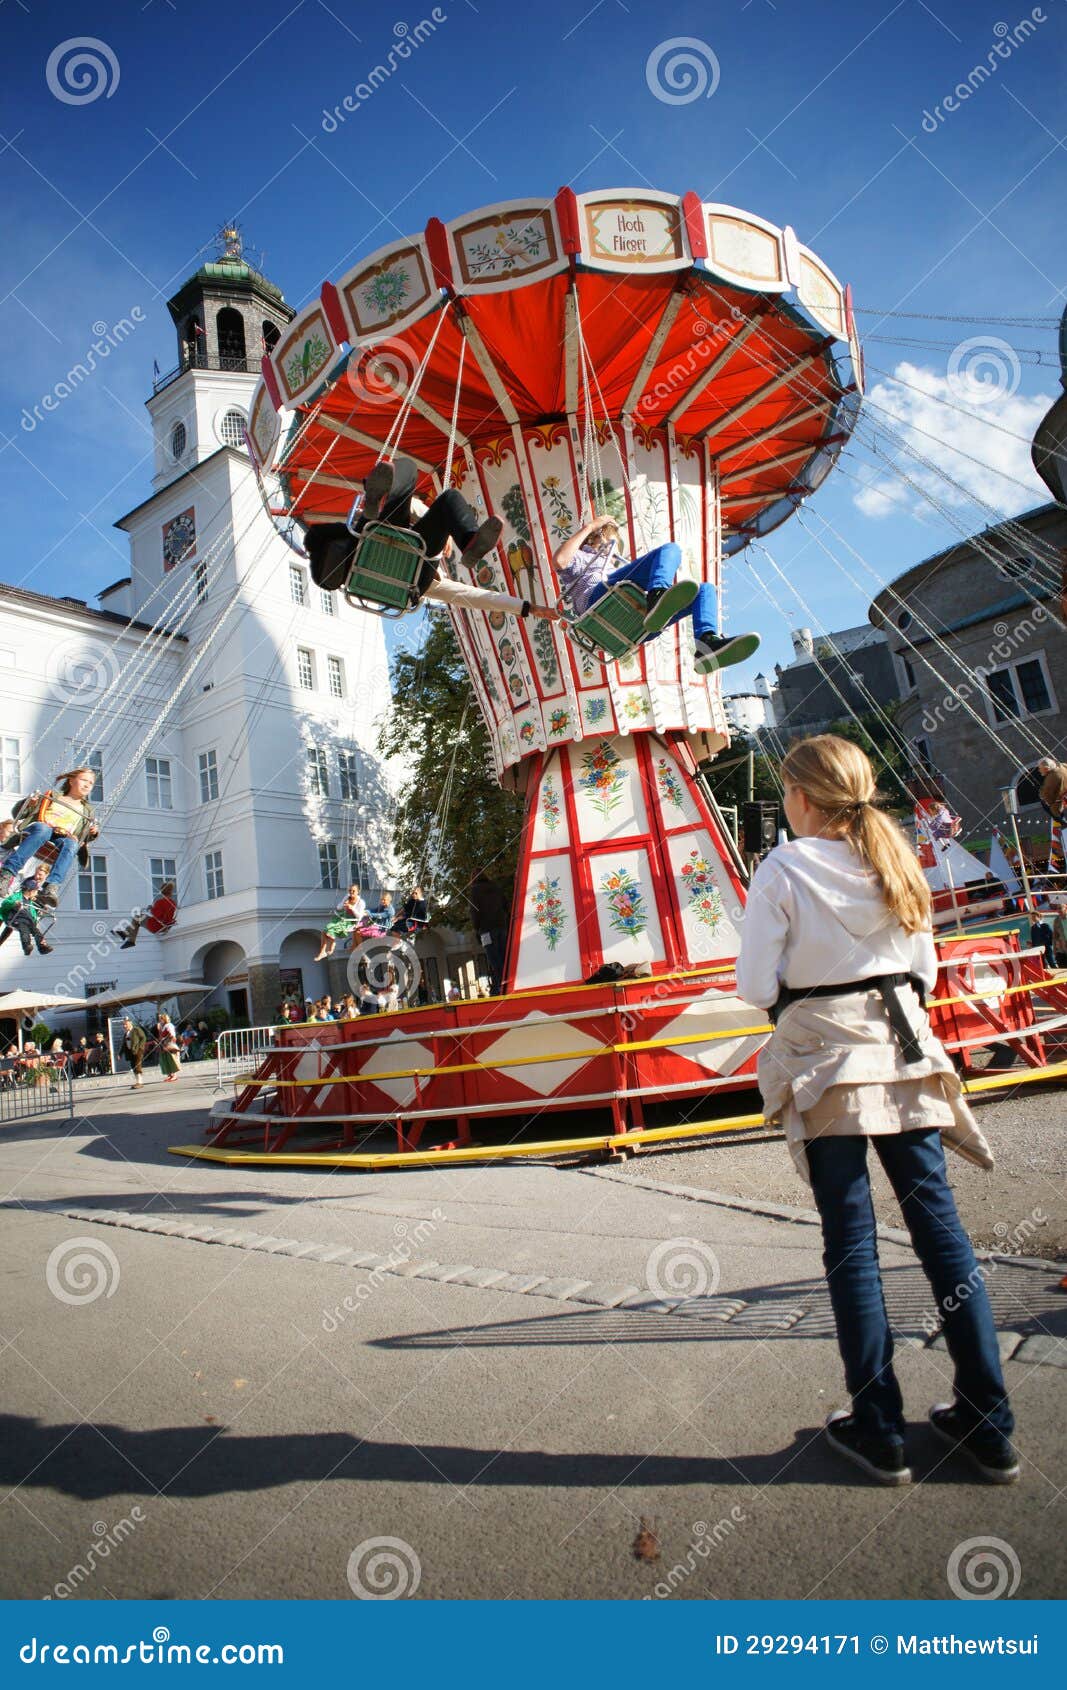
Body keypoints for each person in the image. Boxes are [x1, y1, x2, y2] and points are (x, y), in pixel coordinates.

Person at [736, 733, 1017, 1487]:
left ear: (798, 798)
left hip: (829, 1067)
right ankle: (988, 1423)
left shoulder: (783, 867)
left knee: (851, 1243)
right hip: (904, 1055)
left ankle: (878, 1425)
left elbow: (754, 985)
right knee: (942, 1236)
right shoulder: (895, 855)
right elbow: (922, 968)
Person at [302, 458, 561, 623]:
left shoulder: (421, 571)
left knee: (409, 476)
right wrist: (526, 607)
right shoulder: (429, 580)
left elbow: (473, 595)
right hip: (406, 566)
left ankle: (374, 506)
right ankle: (468, 541)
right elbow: (470, 595)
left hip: (372, 550)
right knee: (434, 490)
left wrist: (527, 608)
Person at [552, 515, 760, 674]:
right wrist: (590, 526)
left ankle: (707, 645)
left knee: (705, 590)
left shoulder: (611, 567)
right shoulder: (583, 558)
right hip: (597, 603)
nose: (612, 551)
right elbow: (560, 561)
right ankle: (657, 595)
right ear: (594, 539)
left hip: (634, 623)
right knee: (670, 549)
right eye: (608, 541)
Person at [0, 767, 100, 906]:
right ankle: (8, 873)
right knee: (44, 829)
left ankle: (51, 886)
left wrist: (92, 832)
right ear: (71, 781)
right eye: (83, 780)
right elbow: (19, 813)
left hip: (62, 836)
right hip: (41, 828)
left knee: (72, 845)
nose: (87, 784)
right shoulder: (52, 796)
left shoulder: (87, 810)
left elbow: (83, 835)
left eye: (91, 783)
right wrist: (30, 803)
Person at [469, 872, 509, 995]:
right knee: (504, 956)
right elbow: (506, 905)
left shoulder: (475, 891)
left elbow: (474, 913)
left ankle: (499, 987)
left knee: (493, 958)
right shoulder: (496, 887)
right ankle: (507, 982)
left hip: (486, 930)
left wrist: (476, 929)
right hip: (501, 927)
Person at [0, 865, 55, 955]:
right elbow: (23, 890)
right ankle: (26, 945)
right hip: (19, 905)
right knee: (9, 919)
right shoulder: (30, 881)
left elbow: (45, 901)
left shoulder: (47, 887)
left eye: (40, 875)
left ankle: (42, 945)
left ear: (46, 875)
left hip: (29, 911)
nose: (37, 877)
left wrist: (40, 904)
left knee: (31, 927)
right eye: (36, 873)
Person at [113, 882, 178, 949]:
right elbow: (165, 915)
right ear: (171, 892)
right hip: (164, 926)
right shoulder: (173, 903)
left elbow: (157, 915)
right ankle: (126, 935)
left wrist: (151, 908)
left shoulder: (160, 902)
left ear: (162, 891)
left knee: (136, 918)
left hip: (156, 926)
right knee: (139, 918)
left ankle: (129, 938)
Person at [315, 885, 367, 961]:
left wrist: (352, 908)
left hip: (350, 922)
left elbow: (359, 917)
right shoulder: (347, 896)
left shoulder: (361, 902)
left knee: (331, 930)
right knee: (324, 931)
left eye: (353, 891)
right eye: (350, 890)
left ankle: (332, 946)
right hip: (342, 918)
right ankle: (322, 952)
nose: (351, 892)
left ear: (358, 892)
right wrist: (343, 904)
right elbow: (338, 907)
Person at [121, 1016, 146, 1089]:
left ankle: (140, 1082)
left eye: (126, 1024)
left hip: (138, 1051)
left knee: (137, 1065)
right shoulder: (126, 1033)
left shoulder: (136, 1029)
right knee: (133, 1066)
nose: (124, 1026)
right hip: (130, 1052)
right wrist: (120, 1053)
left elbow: (143, 1037)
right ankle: (137, 1081)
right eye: (124, 1024)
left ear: (130, 1023)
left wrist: (140, 1047)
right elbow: (123, 1044)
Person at [156, 1014, 180, 1081]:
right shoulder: (162, 1026)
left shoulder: (169, 1025)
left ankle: (174, 1075)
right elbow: (160, 1036)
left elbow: (171, 1034)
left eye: (161, 1019)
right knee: (164, 1060)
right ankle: (170, 1075)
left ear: (164, 1019)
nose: (160, 1020)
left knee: (171, 1059)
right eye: (160, 1019)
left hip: (169, 1044)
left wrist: (169, 1038)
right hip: (163, 1045)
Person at [1052, 900, 1067, 970]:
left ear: (1065, 908)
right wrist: (1054, 948)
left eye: (1060, 908)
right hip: (1063, 945)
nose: (1059, 910)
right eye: (1057, 908)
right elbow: (1055, 935)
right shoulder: (1056, 920)